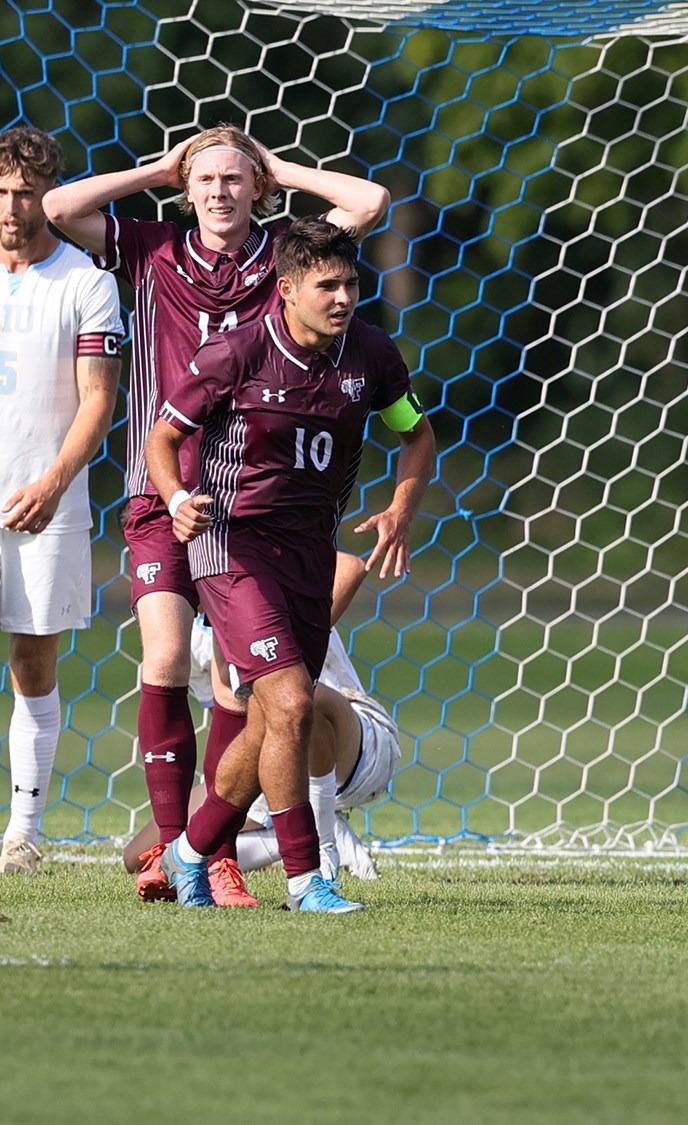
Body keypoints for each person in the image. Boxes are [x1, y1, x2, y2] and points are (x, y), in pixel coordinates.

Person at [42, 126, 389, 899]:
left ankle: (219, 851)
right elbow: (60, 205)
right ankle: (176, 849)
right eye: (205, 179)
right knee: (164, 659)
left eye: (236, 179)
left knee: (243, 686)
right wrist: (161, 169)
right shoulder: (152, 248)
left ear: (257, 189)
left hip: (248, 503)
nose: (220, 191)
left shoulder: (287, 258)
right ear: (186, 189)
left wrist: (276, 165)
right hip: (163, 487)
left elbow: (368, 202)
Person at [144, 219, 434, 914]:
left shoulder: (370, 354)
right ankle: (308, 880)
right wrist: (179, 497)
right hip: (233, 546)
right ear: (288, 289)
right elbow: (164, 436)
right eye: (327, 285)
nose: (343, 298)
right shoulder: (236, 353)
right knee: (295, 703)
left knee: (273, 720)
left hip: (309, 550)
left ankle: (190, 851)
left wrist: (401, 506)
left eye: (352, 284)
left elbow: (416, 434)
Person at [123, 552, 401, 889]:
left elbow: (349, 567)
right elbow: (231, 727)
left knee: (294, 699)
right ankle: (286, 838)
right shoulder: (186, 638)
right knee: (141, 857)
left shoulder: (249, 568)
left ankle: (322, 847)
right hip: (274, 758)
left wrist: (286, 658)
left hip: (357, 746)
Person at [0, 127, 125, 874]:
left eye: (24, 194)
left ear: (48, 196)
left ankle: (23, 832)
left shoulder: (87, 280)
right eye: (0, 194)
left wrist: (53, 483)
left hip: (46, 500)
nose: (11, 209)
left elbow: (98, 400)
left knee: (32, 659)